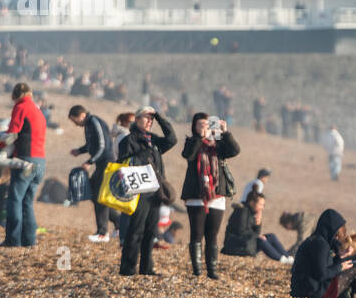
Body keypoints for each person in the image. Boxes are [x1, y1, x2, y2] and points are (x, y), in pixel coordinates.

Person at [119, 106, 177, 277]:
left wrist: (159, 116)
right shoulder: (128, 140)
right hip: (139, 190)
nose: (149, 122)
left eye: (151, 119)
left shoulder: (153, 139)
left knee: (151, 231)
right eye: (146, 118)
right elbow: (122, 163)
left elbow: (172, 139)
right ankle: (128, 269)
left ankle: (146, 268)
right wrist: (142, 154)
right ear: (136, 120)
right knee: (135, 230)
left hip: (155, 191)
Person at [181, 112, 240, 279]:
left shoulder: (218, 144)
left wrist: (225, 132)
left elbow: (235, 150)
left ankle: (212, 270)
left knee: (212, 234)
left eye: (206, 124)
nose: (204, 127)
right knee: (196, 233)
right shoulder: (191, 141)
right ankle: (197, 269)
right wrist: (200, 137)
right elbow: (189, 155)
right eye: (200, 124)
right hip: (196, 195)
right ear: (194, 127)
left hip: (216, 194)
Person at [0, 82, 47, 248]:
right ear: (30, 94)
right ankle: (29, 241)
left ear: (15, 97)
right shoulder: (38, 111)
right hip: (40, 162)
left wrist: (1, 147)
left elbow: (12, 134)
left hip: (25, 161)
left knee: (14, 200)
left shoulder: (20, 107)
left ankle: (13, 240)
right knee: (27, 202)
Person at [68, 105, 115, 242]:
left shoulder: (94, 121)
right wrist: (79, 150)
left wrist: (90, 162)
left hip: (106, 163)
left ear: (81, 115)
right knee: (94, 194)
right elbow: (91, 145)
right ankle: (117, 225)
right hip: (101, 163)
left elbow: (102, 146)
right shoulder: (89, 125)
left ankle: (102, 232)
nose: (75, 124)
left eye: (74, 120)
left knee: (99, 195)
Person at [223, 190, 291, 261]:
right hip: (235, 246)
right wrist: (257, 236)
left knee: (271, 236)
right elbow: (241, 231)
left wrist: (258, 223)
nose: (262, 207)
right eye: (261, 204)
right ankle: (282, 259)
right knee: (260, 240)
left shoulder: (251, 213)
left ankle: (288, 257)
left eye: (263, 205)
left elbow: (255, 233)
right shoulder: (242, 211)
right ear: (252, 202)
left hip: (246, 242)